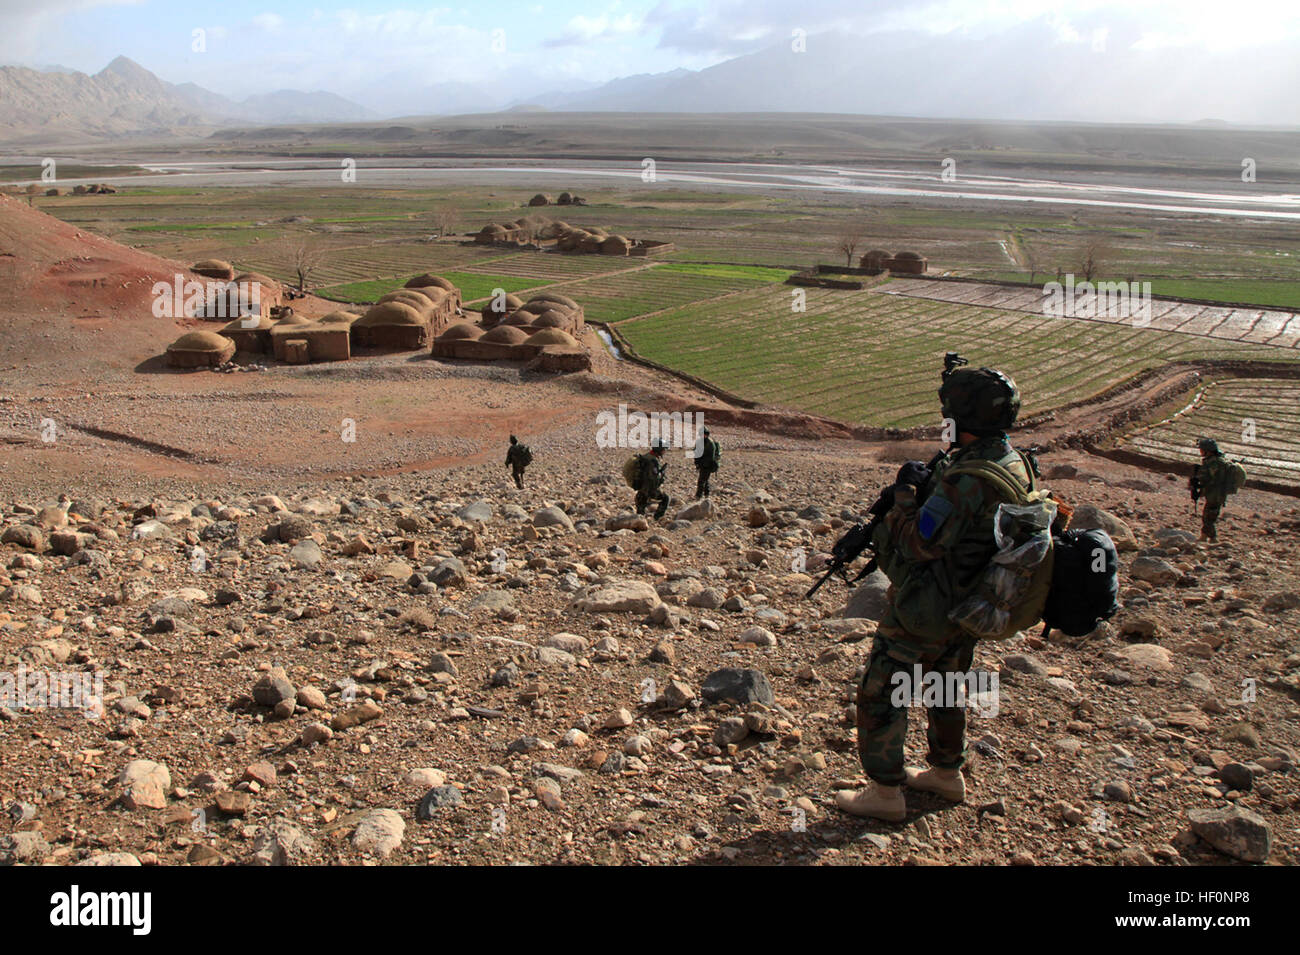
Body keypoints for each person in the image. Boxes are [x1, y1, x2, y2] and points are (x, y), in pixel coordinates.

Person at [835, 366, 1032, 822]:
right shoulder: (1010, 461)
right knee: (945, 684)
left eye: (949, 414)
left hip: (929, 605)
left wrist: (904, 496)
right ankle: (946, 773)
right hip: (973, 601)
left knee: (882, 688)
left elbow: (920, 543)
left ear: (963, 417)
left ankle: (885, 792)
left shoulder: (969, 478)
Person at [1192, 437, 1242, 542]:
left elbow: (1213, 479)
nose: (1200, 451)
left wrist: (1200, 481)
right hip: (1215, 493)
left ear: (1208, 451)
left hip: (1216, 494)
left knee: (1209, 517)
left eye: (1201, 449)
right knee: (1208, 516)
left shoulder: (1215, 463)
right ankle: (1207, 537)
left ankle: (1211, 538)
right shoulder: (1215, 461)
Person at [634, 439, 671, 520]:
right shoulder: (653, 461)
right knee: (666, 498)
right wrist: (661, 475)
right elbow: (654, 478)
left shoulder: (646, 456)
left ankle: (639, 523)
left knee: (640, 513)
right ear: (659, 449)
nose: (665, 451)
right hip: (649, 489)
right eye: (664, 449)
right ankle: (657, 518)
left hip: (641, 489)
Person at [693, 427, 720, 499]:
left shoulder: (710, 443)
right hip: (702, 464)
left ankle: (698, 495)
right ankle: (706, 494)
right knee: (705, 479)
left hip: (708, 465)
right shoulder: (699, 442)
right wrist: (697, 462)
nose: (703, 436)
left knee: (701, 481)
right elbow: (696, 452)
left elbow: (711, 456)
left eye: (704, 434)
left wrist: (704, 463)